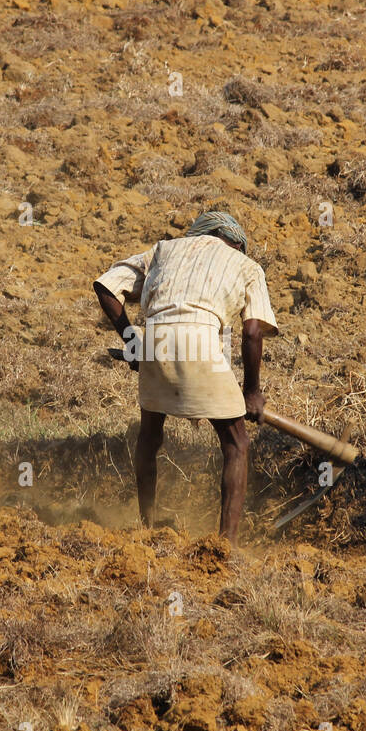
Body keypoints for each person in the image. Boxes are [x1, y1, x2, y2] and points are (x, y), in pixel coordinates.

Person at [93, 210, 278, 544]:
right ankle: (226, 546)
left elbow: (107, 285)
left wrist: (133, 341)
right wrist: (252, 392)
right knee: (237, 444)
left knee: (149, 436)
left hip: (156, 340)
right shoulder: (247, 266)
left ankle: (145, 526)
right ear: (235, 243)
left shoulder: (163, 250)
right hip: (202, 341)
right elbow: (252, 333)